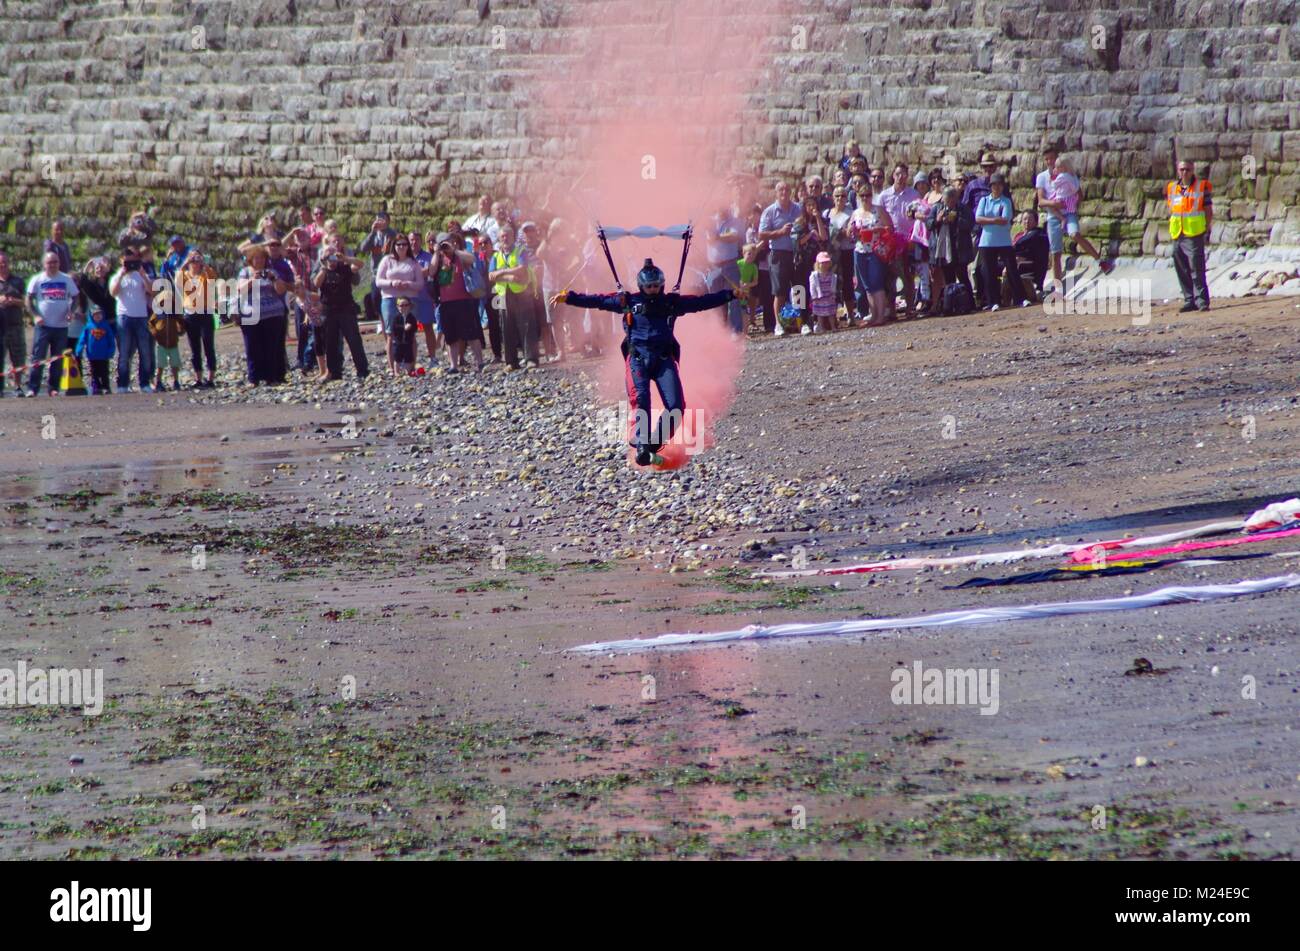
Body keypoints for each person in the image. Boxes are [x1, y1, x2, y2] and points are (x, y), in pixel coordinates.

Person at [551, 259, 734, 466]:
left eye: (656, 285)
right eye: (649, 286)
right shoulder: (628, 302)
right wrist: (570, 298)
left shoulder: (671, 303)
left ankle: (653, 445)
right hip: (638, 358)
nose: (653, 290)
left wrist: (730, 295)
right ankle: (640, 444)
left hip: (664, 359)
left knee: (676, 406)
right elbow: (598, 301)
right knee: (642, 401)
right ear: (641, 286)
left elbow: (701, 303)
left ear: (662, 284)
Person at [1037, 155, 1112, 284]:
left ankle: (1100, 261)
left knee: (1075, 234)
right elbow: (1041, 201)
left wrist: (1071, 204)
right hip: (1054, 215)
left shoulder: (1068, 176)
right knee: (1056, 253)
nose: (1050, 162)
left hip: (1068, 212)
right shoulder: (1042, 177)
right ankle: (1058, 288)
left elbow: (1078, 193)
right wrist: (1054, 204)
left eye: (1052, 159)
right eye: (1047, 159)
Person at [312, 237, 369, 382]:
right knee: (330, 342)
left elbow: (360, 264)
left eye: (333, 255)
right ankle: (333, 372)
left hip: (346, 309)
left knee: (354, 340)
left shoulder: (344, 267)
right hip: (329, 310)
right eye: (328, 256)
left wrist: (346, 259)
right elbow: (316, 284)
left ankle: (362, 370)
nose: (331, 259)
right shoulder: (322, 271)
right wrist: (324, 266)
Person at [235, 242, 292, 386]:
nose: (259, 261)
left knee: (272, 347)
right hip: (251, 315)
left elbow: (281, 290)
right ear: (251, 260)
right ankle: (254, 378)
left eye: (261, 258)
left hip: (273, 314)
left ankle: (272, 377)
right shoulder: (245, 272)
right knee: (252, 347)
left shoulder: (271, 272)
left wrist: (274, 278)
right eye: (256, 258)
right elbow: (240, 289)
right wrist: (253, 280)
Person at [24, 252, 78, 396]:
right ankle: (32, 388)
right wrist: (35, 316)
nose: (52, 265)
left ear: (59, 263)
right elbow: (28, 299)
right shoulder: (37, 279)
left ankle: (54, 388)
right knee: (38, 357)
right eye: (49, 262)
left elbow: (75, 296)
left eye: (55, 262)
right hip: (43, 326)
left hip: (61, 327)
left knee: (58, 358)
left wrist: (71, 311)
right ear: (44, 264)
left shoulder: (66, 279)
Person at [429, 232, 484, 372]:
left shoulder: (460, 255)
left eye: (447, 242)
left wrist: (454, 250)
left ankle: (480, 362)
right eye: (443, 243)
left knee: (471, 334)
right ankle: (453, 365)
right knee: (450, 336)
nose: (445, 246)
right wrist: (436, 252)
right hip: (446, 303)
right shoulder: (439, 258)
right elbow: (431, 271)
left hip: (464, 300)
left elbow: (472, 259)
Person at [374, 233, 425, 376]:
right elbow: (378, 281)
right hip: (390, 299)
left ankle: (411, 365)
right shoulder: (386, 260)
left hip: (410, 299)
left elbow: (420, 284)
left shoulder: (413, 262)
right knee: (391, 333)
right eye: (399, 245)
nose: (402, 247)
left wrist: (408, 284)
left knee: (411, 333)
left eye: (404, 244)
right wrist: (392, 283)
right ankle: (392, 367)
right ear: (394, 246)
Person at [1166, 159, 1213, 312]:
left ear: (1192, 171)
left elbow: (1208, 210)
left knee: (1196, 267)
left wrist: (1207, 228)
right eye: (1181, 169)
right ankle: (1189, 299)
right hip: (1177, 233)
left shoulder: (1200, 187)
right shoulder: (1172, 188)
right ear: (1178, 171)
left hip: (1194, 233)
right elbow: (1172, 209)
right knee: (1181, 267)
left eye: (1187, 169)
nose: (1184, 172)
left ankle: (1201, 301)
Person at [975, 173, 1026, 310]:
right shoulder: (984, 201)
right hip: (987, 242)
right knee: (989, 272)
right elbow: (978, 218)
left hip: (1003, 240)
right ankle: (993, 301)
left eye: (999, 185)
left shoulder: (1006, 201)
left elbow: (1005, 220)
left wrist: (989, 220)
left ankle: (1021, 298)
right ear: (990, 187)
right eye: (994, 185)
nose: (996, 187)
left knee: (1011, 269)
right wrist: (994, 220)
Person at [879, 163, 921, 318]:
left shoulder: (914, 194)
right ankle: (891, 310)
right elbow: (880, 217)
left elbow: (919, 215)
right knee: (890, 276)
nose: (901, 177)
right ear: (893, 176)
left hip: (909, 240)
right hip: (891, 241)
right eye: (898, 174)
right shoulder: (884, 196)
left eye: (904, 174)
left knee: (908, 276)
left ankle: (910, 308)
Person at [850, 181, 894, 326]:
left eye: (868, 195)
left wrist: (878, 230)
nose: (865, 198)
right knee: (867, 285)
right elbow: (848, 232)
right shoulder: (856, 213)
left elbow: (890, 228)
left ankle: (881, 315)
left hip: (876, 249)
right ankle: (874, 315)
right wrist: (853, 232)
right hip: (860, 250)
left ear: (872, 196)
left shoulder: (878, 210)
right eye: (862, 195)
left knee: (877, 283)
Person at [758, 182, 801, 333]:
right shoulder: (769, 212)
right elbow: (762, 234)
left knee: (798, 288)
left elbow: (805, 225)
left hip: (796, 253)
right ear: (776, 193)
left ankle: (799, 322)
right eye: (781, 189)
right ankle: (779, 324)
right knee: (779, 291)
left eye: (787, 189)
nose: (784, 191)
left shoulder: (798, 208)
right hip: (778, 254)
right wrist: (781, 232)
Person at [109, 251, 155, 392]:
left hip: (141, 316)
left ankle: (144, 383)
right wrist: (122, 274)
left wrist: (142, 275)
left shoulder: (141, 275)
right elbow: (113, 292)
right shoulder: (117, 276)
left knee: (145, 351)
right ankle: (123, 384)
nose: (130, 265)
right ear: (122, 262)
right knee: (124, 352)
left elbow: (151, 291)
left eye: (132, 262)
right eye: (127, 262)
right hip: (124, 316)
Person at [928, 186, 976, 311]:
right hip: (944, 249)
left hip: (959, 248)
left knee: (963, 277)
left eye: (952, 199)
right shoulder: (937, 208)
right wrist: (938, 220)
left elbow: (970, 224)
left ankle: (969, 304)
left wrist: (956, 219)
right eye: (947, 199)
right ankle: (951, 305)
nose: (950, 202)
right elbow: (929, 224)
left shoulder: (963, 209)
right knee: (949, 279)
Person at [178, 250, 218, 388]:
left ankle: (211, 378)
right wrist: (186, 262)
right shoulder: (185, 275)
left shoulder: (206, 274)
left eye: (197, 258)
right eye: (193, 259)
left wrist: (204, 264)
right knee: (195, 348)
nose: (195, 262)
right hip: (190, 314)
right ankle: (198, 378)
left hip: (206, 313)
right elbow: (176, 279)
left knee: (209, 346)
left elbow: (213, 278)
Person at [706, 202, 746, 335]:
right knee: (714, 301)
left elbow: (734, 236)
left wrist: (717, 237)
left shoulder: (735, 221)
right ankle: (719, 331)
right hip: (713, 266)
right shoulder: (709, 221)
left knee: (734, 299)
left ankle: (736, 330)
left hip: (730, 264)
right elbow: (708, 239)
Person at [826, 185, 857, 324]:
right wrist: (840, 232)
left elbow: (851, 233)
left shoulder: (851, 213)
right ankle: (831, 317)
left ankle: (850, 314)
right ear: (833, 198)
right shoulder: (826, 214)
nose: (840, 198)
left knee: (847, 284)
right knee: (831, 284)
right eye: (837, 196)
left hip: (846, 251)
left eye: (843, 195)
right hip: (830, 254)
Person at [0, 252, 28, 396]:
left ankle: (18, 386)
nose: (3, 265)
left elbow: (25, 302)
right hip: (0, 327)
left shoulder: (18, 281)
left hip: (16, 325)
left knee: (18, 357)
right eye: (0, 262)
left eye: (5, 262)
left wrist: (13, 301)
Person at [744, 203, 774, 333]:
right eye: (751, 214)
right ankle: (751, 320)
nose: (753, 217)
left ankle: (769, 322)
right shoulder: (750, 231)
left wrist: (761, 244)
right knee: (753, 294)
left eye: (756, 214)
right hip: (753, 266)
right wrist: (763, 242)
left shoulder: (766, 228)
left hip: (766, 265)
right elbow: (752, 249)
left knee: (767, 294)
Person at [75, 303, 116, 395]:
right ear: (91, 315)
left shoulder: (106, 326)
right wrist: (79, 349)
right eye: (95, 314)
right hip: (92, 355)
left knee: (104, 372)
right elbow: (82, 339)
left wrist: (111, 351)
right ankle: (97, 387)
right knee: (94, 372)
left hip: (104, 355)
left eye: (99, 314)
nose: (97, 316)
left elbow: (111, 340)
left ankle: (106, 387)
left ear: (102, 314)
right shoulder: (88, 327)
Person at [1012, 211, 1050, 302]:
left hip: (1026, 265)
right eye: (1025, 219)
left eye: (1030, 219)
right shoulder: (1019, 235)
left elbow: (1025, 251)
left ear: (1036, 222)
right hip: (1012, 259)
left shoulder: (1038, 234)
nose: (1026, 221)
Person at [148, 303, 186, 392]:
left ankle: (176, 381)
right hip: (161, 343)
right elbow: (150, 323)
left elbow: (182, 322)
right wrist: (155, 333)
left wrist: (181, 330)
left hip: (173, 342)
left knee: (175, 364)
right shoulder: (158, 313)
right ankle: (159, 382)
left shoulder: (175, 313)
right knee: (160, 365)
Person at [808, 251, 838, 334]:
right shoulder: (814, 275)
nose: (825, 264)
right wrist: (814, 296)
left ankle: (833, 327)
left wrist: (833, 294)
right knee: (819, 314)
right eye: (823, 263)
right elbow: (812, 287)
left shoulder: (832, 275)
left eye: (827, 262)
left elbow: (833, 286)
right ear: (818, 264)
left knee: (831, 313)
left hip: (829, 296)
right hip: (819, 297)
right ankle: (821, 327)